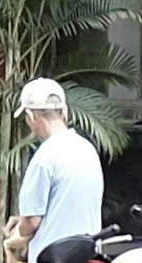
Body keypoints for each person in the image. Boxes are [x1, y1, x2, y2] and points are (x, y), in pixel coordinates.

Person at [12, 79, 105, 248]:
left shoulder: (45, 157)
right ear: (64, 111)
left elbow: (31, 222)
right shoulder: (87, 149)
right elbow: (68, 207)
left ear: (31, 116)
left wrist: (17, 234)